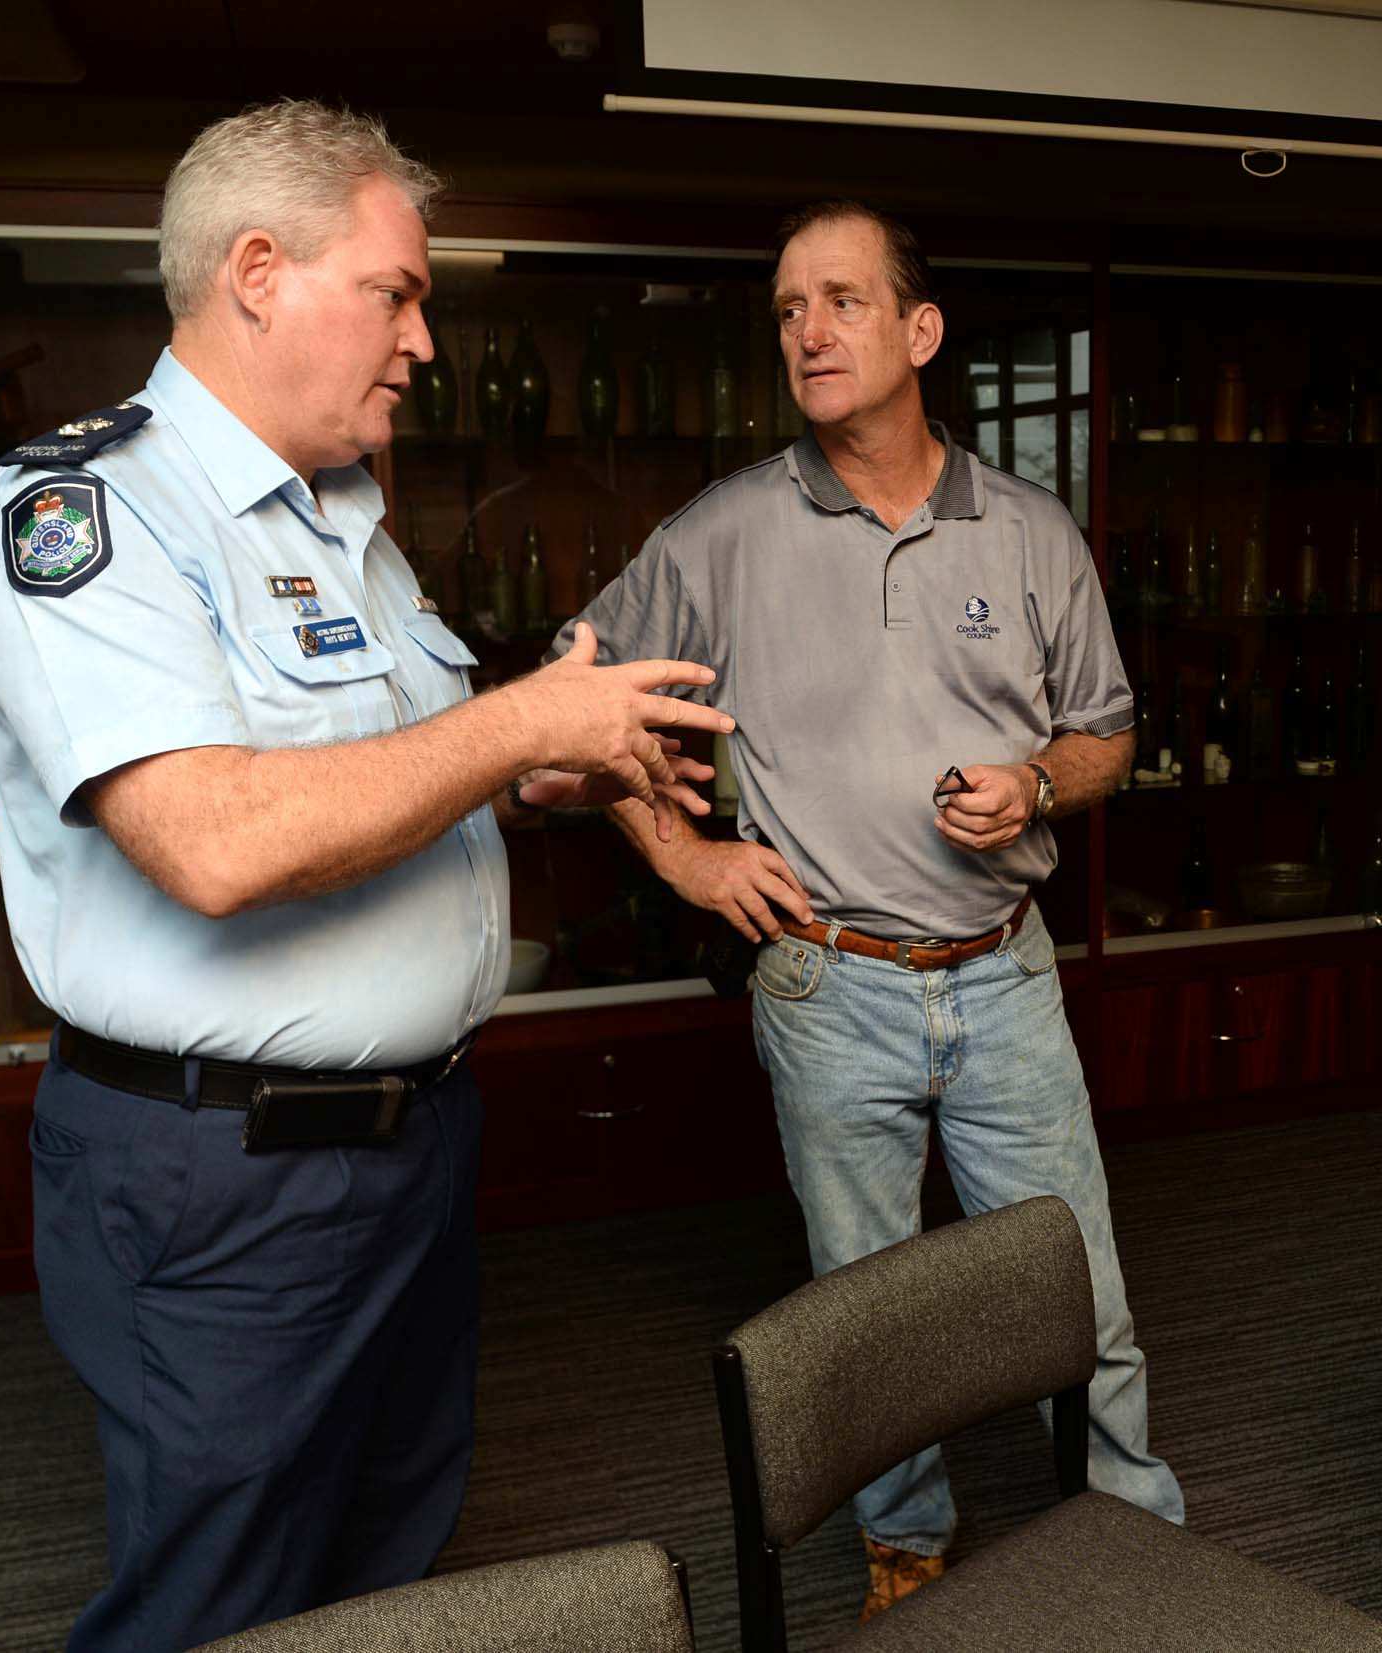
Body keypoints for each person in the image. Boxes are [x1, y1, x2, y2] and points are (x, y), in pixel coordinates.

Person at [0, 101, 728, 1652]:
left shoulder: (347, 522)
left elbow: (372, 785)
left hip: (409, 1147)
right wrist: (511, 719)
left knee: (384, 1572)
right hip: (226, 1177)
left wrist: (529, 762)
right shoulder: (87, 516)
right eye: (399, 291)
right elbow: (218, 840)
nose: (424, 339)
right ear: (257, 272)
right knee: (216, 1603)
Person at [556, 199, 1184, 1617]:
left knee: (1080, 1287)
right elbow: (571, 716)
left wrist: (1035, 785)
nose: (808, 332)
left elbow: (1108, 737)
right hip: (828, 985)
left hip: (1004, 974)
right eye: (787, 310)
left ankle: (1137, 1534)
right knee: (868, 1314)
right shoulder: (722, 533)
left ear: (920, 331)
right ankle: (908, 1550)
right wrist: (692, 860)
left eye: (840, 300)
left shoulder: (1030, 530)